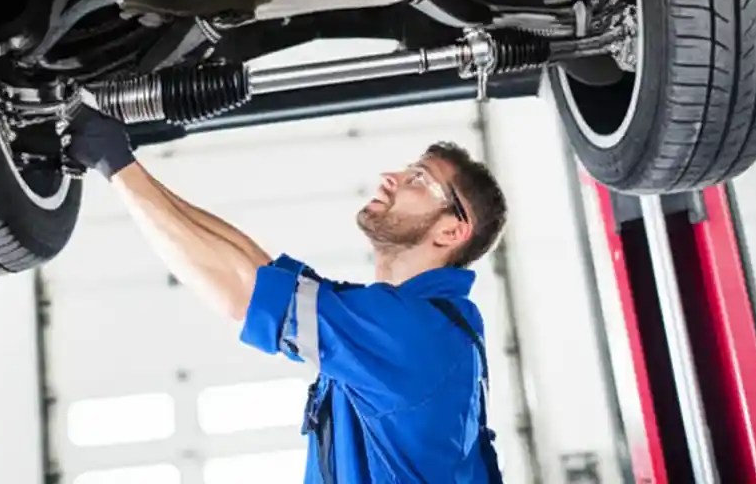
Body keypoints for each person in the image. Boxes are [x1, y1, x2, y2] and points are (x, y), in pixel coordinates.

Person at [68, 106, 510, 483]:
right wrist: (120, 162)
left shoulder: (417, 335)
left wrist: (117, 166)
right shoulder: (418, 327)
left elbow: (243, 292)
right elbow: (256, 272)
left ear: (452, 230)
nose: (391, 177)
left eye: (418, 178)